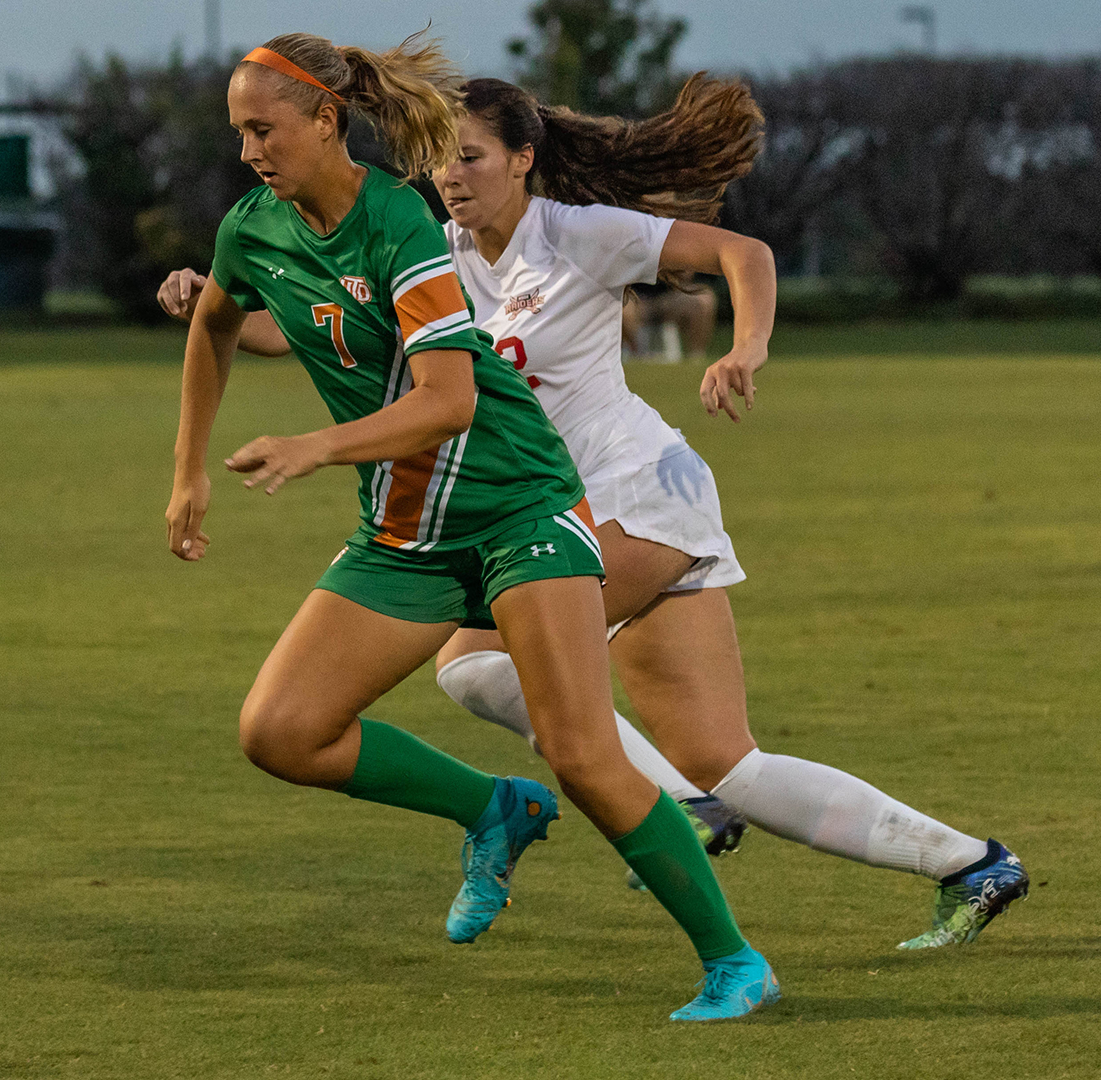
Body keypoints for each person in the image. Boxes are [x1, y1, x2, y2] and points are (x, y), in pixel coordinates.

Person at [159, 75, 1028, 951]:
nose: (450, 176)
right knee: (728, 760)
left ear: (524, 159)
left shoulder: (579, 235)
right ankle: (970, 864)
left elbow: (746, 254)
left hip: (639, 490)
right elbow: (322, 325)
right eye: (436, 160)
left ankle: (672, 812)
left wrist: (746, 347)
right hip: (562, 507)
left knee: (479, 665)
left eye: (471, 157)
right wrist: (219, 304)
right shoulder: (437, 250)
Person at [168, 32, 778, 1020]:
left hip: (517, 504)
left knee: (583, 753)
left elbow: (450, 401)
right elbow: (216, 326)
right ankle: (491, 806)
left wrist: (316, 447)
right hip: (406, 522)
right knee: (280, 730)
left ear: (328, 119)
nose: (248, 152)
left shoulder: (398, 221)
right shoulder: (252, 228)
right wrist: (188, 471)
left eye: (262, 129)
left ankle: (733, 962)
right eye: (239, 133)